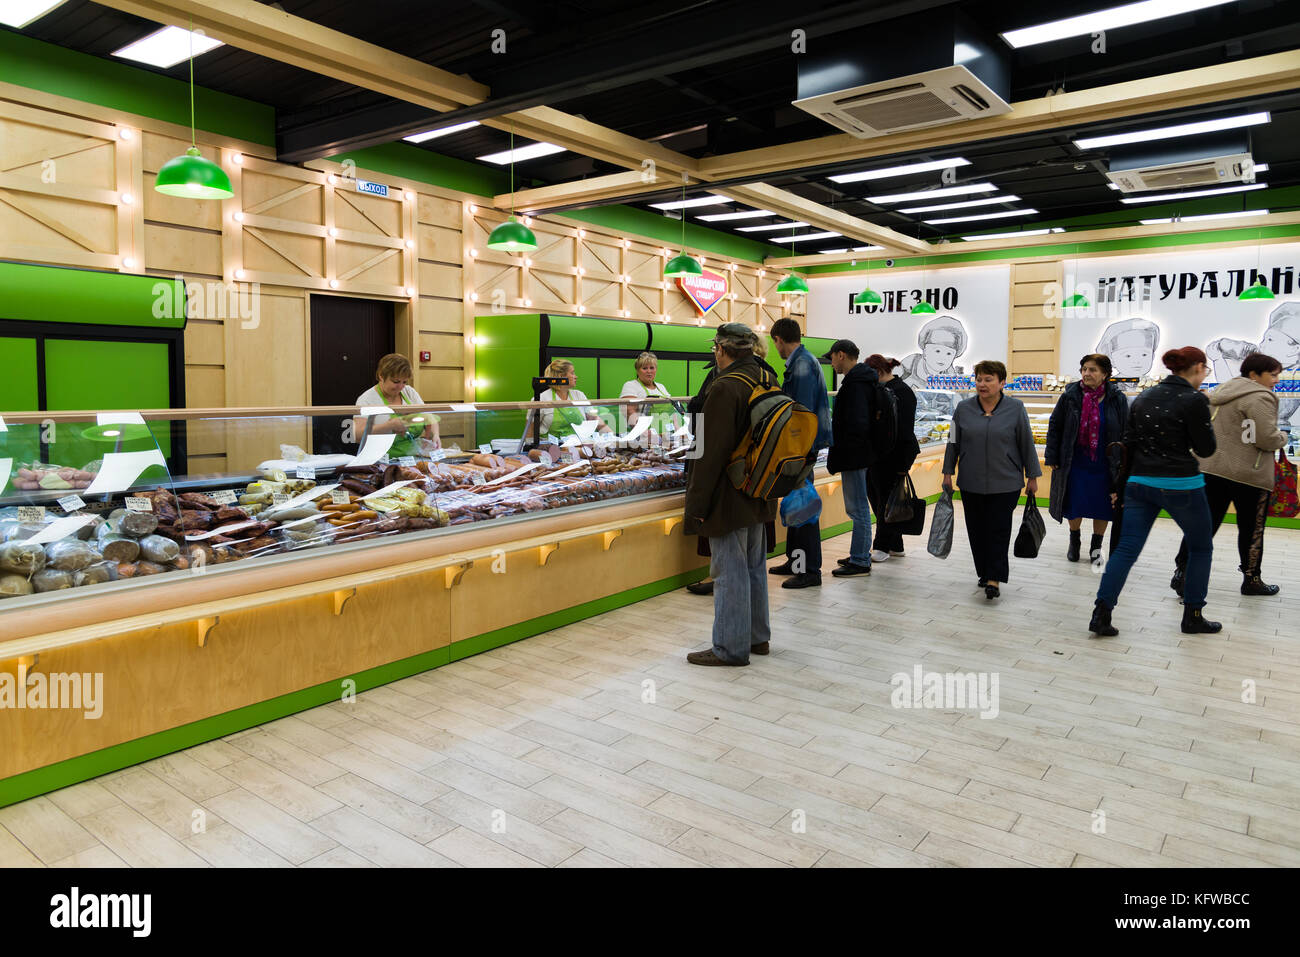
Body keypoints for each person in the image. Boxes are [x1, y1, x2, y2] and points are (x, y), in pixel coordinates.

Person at [1089, 346, 1219, 637]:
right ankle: (1193, 615)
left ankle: (1101, 612)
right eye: (1205, 370)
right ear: (1197, 367)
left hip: (1140, 483)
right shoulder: (1195, 400)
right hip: (1182, 484)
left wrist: (1118, 488)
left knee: (1125, 550)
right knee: (1200, 548)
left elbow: (1129, 444)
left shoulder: (1144, 396)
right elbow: (1206, 449)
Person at [684, 323, 778, 666]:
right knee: (754, 565)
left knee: (728, 571)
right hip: (760, 487)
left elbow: (709, 451)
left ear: (721, 350)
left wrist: (696, 503)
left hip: (729, 493)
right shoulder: (766, 377)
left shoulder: (725, 387)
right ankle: (757, 637)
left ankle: (729, 647)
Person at [1170, 352, 1288, 598]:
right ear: (1254, 375)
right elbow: (1266, 438)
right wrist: (1282, 438)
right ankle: (1252, 579)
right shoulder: (1260, 397)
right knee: (1251, 530)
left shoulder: (1222, 391)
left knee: (1203, 525)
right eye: (1273, 374)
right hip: (1249, 475)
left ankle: (1182, 572)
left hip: (1212, 469)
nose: (1276, 379)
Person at [941, 359, 1041, 600]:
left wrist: (1033, 475)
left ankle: (994, 578)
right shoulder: (962, 409)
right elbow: (952, 441)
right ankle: (984, 572)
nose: (982, 384)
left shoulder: (1016, 408)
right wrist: (947, 472)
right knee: (977, 530)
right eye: (979, 379)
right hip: (970, 480)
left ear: (1002, 382)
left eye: (988, 379)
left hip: (1005, 482)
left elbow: (1026, 442)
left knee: (998, 529)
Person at [1045, 354, 1129, 564]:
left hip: (1106, 462)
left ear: (1105, 374)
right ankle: (1074, 541)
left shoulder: (1117, 398)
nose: (1086, 373)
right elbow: (1055, 426)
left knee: (1103, 506)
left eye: (1092, 370)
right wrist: (1052, 455)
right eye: (1084, 369)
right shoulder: (1071, 395)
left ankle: (1096, 547)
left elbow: (1127, 430)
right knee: (1074, 502)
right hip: (1075, 460)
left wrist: (1126, 463)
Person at [767, 318, 832, 589]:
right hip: (802, 445)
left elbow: (802, 412)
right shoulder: (803, 361)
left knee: (804, 507)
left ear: (780, 339)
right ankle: (795, 562)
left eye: (775, 343)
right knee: (797, 502)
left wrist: (796, 448)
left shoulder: (802, 364)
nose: (776, 348)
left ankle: (810, 570)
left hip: (802, 445)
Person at [824, 340, 877, 577]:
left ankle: (860, 560)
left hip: (854, 455)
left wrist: (844, 449)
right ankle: (860, 553)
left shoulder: (855, 384)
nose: (831, 362)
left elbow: (856, 423)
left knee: (858, 509)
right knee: (858, 508)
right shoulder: (862, 381)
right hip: (859, 454)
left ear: (842, 355)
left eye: (832, 357)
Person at [863, 354, 920, 562]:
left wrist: (903, 463)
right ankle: (896, 543)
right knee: (880, 497)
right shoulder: (888, 389)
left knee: (884, 500)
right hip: (880, 454)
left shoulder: (901, 392)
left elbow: (904, 430)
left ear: (877, 372)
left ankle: (882, 547)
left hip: (894, 455)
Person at [355, 353, 440, 457]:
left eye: (404, 382)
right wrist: (389, 426)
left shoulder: (409, 392)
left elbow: (428, 416)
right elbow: (357, 435)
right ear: (381, 376)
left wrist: (435, 435)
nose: (400, 386)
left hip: (415, 459)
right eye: (396, 381)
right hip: (381, 461)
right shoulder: (367, 399)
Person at [535, 359, 610, 444]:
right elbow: (530, 430)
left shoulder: (579, 395)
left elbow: (594, 418)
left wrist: (611, 436)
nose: (576, 376)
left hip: (579, 447)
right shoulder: (542, 399)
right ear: (561, 376)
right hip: (551, 449)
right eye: (572, 373)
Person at [619, 351, 682, 441]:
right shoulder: (631, 385)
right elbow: (629, 411)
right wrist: (644, 432)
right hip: (641, 436)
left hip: (665, 435)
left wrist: (677, 428)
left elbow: (672, 411)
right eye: (644, 368)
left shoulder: (661, 387)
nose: (649, 371)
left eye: (652, 368)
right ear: (637, 370)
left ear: (656, 369)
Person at [898, 315, 969, 390]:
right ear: (925, 352)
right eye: (937, 351)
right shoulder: (912, 362)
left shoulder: (949, 374)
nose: (942, 357)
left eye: (949, 354)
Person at [1096, 318, 1160, 380]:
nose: (1137, 361)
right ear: (1111, 359)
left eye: (1144, 354)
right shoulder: (1108, 385)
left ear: (1152, 356)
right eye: (1128, 356)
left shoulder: (1154, 385)